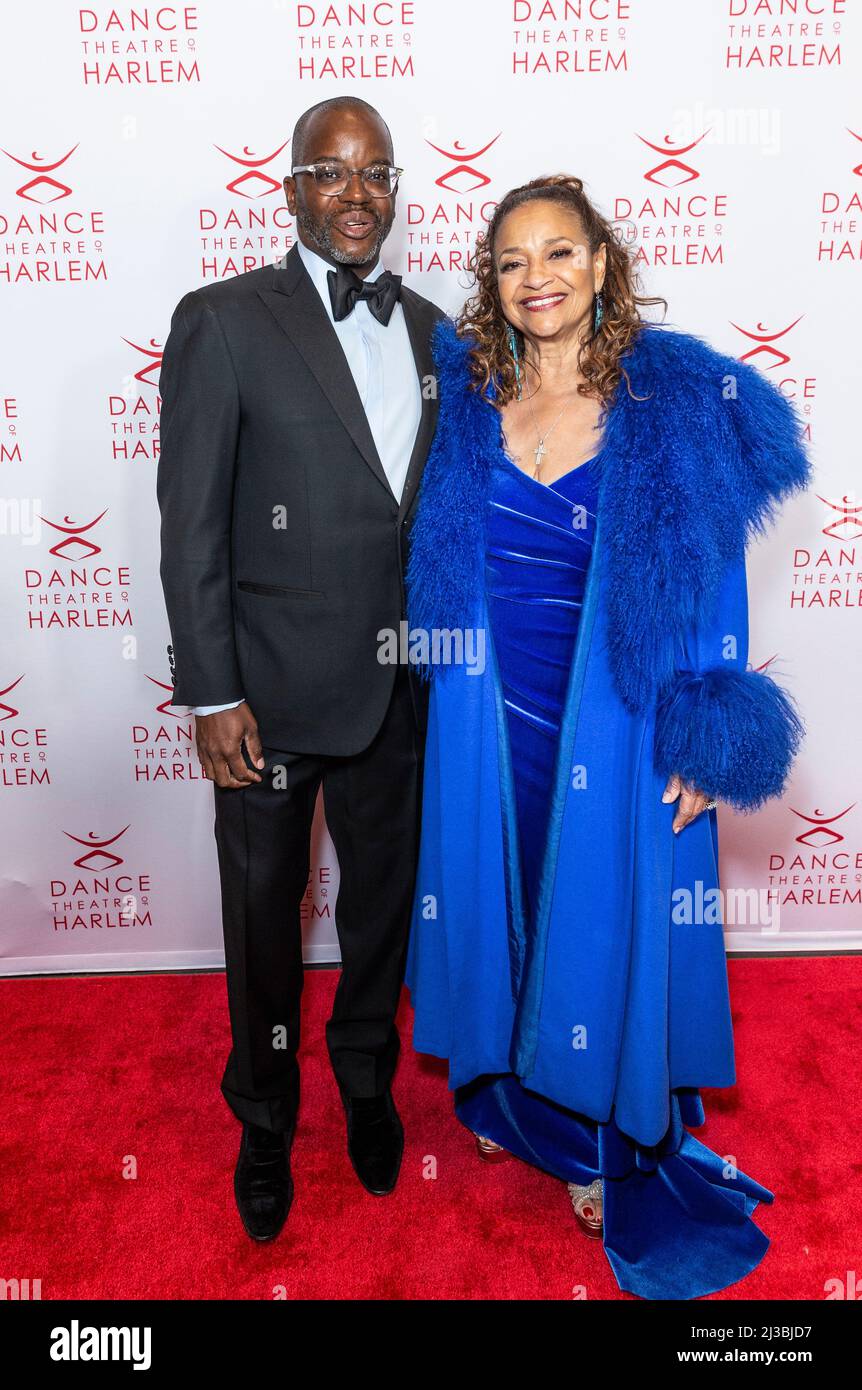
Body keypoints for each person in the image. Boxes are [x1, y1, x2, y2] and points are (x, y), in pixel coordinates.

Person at [404, 175, 810, 1299]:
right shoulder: (470, 390)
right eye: (511, 260)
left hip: (617, 711)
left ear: (600, 265)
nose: (536, 277)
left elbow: (711, 584)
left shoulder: (667, 399)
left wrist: (702, 738)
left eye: (559, 254)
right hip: (489, 712)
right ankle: (512, 1101)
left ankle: (603, 1140)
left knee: (600, 917)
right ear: (490, 282)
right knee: (500, 899)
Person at [157, 96, 444, 1241]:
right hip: (265, 697)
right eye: (332, 171)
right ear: (291, 188)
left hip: (400, 688)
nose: (357, 192)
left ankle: (366, 1085)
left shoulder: (436, 330)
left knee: (380, 910)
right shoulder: (223, 321)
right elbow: (192, 528)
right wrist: (212, 689)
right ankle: (264, 1116)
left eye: (376, 172)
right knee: (264, 918)